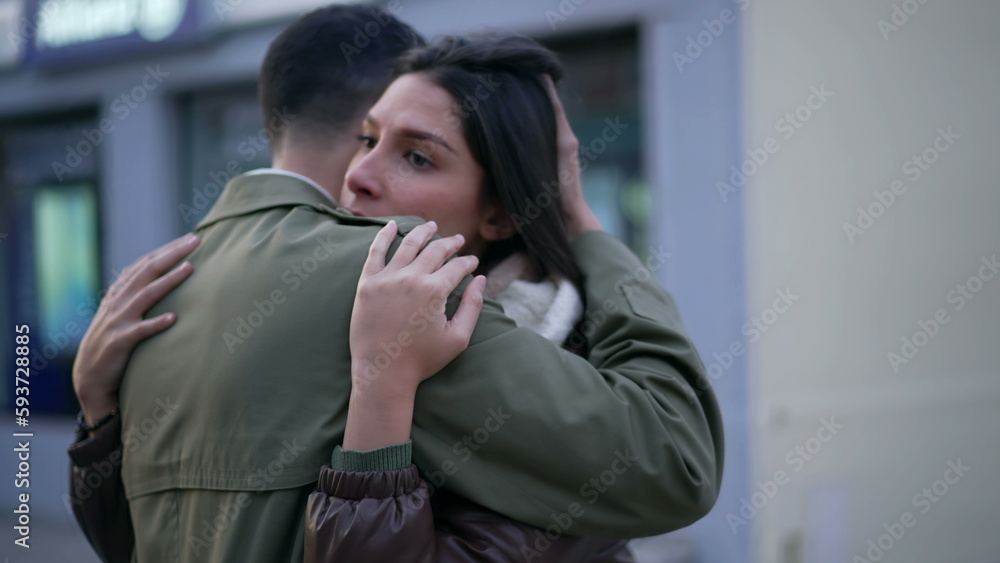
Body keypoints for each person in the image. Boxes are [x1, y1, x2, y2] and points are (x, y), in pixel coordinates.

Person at [68, 7, 723, 563]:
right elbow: (677, 462)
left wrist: (100, 419)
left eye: (416, 155)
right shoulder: (396, 302)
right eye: (366, 138)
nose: (358, 176)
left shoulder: (177, 286)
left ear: (500, 208)